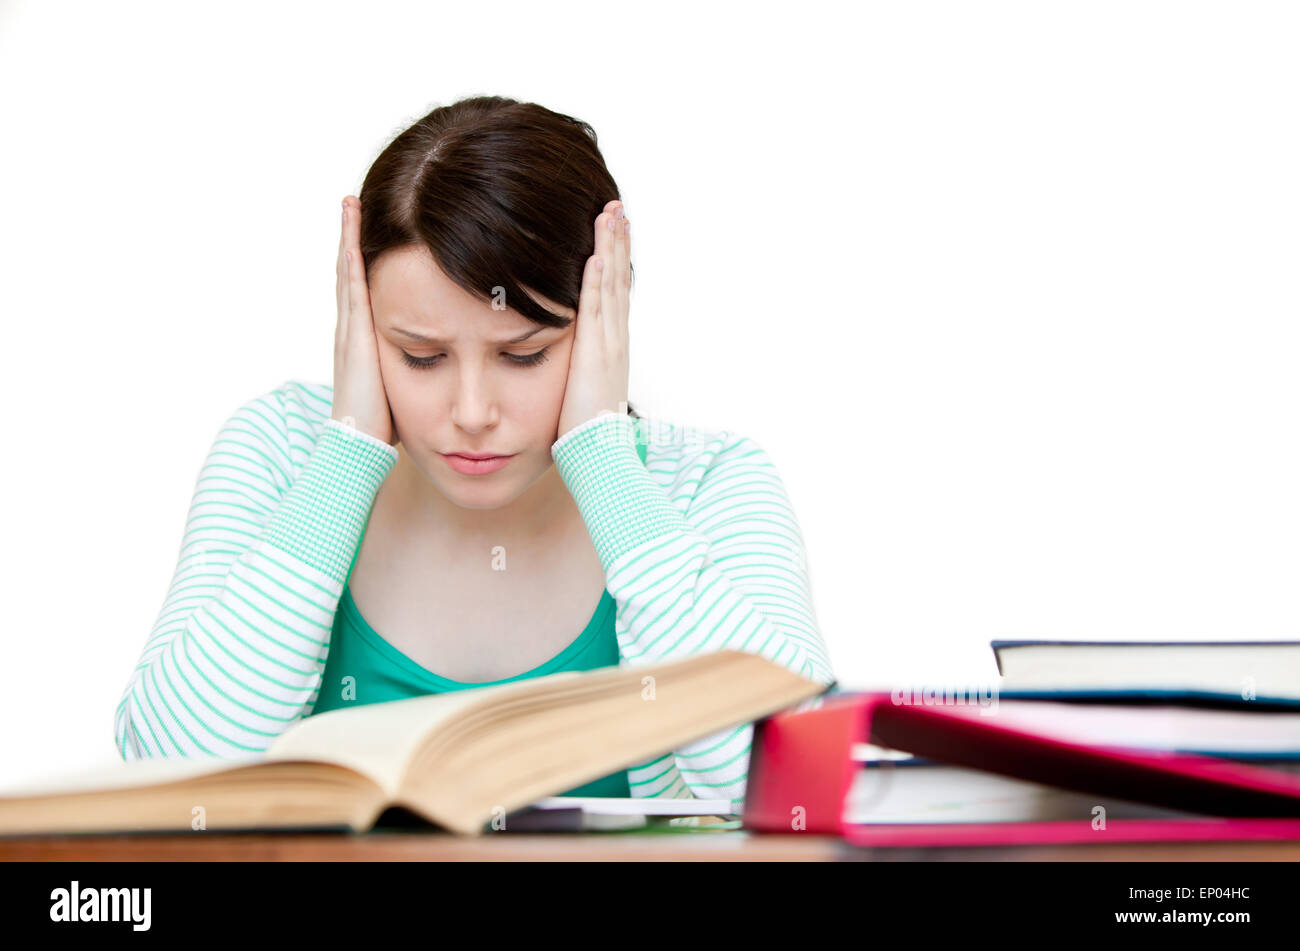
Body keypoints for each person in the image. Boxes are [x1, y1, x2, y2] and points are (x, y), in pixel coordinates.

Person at [113, 95, 835, 813]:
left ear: (604, 318)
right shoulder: (282, 451)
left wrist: (605, 462)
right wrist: (346, 456)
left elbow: (799, 785)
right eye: (420, 356)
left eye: (524, 355)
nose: (471, 413)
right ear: (361, 325)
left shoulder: (710, 484)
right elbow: (171, 777)